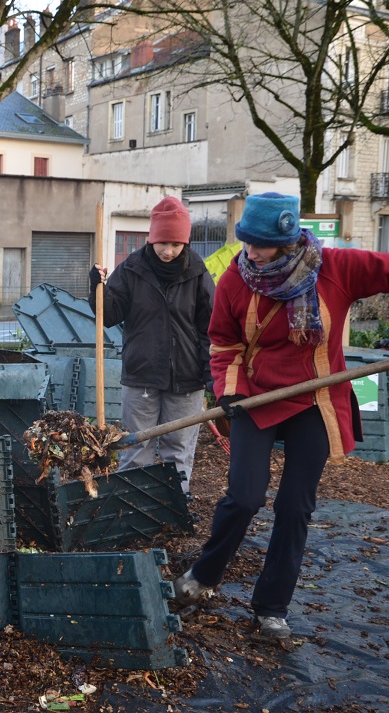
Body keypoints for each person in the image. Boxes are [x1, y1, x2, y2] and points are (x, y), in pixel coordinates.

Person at [173, 192, 389, 639]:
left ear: (287, 240)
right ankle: (202, 578)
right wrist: (229, 391)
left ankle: (272, 607)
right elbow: (224, 343)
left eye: (258, 244)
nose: (248, 252)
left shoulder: (336, 268)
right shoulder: (236, 279)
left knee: (295, 507)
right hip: (256, 397)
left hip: (315, 400)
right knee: (245, 498)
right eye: (245, 242)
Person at [89, 196, 214, 495]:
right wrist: (96, 287)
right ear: (151, 238)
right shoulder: (132, 269)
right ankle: (132, 508)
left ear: (185, 242)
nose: (168, 251)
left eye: (176, 244)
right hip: (142, 374)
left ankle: (175, 506)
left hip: (187, 377)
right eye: (163, 244)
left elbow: (211, 329)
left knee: (179, 448)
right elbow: (110, 315)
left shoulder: (197, 272)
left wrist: (213, 377)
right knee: (136, 445)